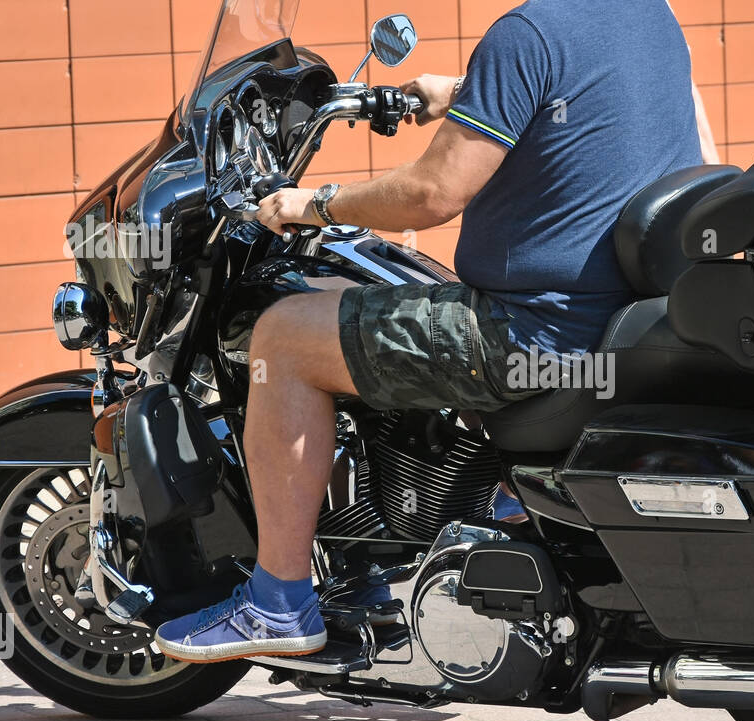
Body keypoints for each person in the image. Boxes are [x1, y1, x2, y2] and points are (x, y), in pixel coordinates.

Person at [154, 0, 706, 662]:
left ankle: (277, 603)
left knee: (284, 339)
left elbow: (432, 194)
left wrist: (314, 205)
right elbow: (615, 126)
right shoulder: (650, 15)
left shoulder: (525, 36)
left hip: (528, 330)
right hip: (624, 318)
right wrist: (470, 97)